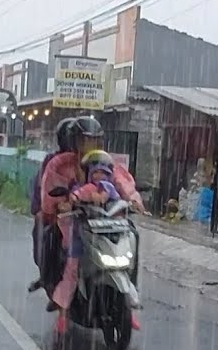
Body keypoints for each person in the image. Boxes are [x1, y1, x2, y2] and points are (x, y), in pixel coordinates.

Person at [38, 116, 145, 332]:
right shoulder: (60, 164)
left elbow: (124, 185)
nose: (90, 146)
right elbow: (51, 192)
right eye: (85, 141)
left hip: (106, 221)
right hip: (75, 222)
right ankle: (61, 305)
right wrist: (62, 204)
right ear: (74, 142)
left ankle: (128, 302)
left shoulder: (107, 164)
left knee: (132, 237)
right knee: (69, 259)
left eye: (95, 141)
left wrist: (134, 200)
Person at [51, 150, 122, 332]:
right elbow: (73, 197)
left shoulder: (112, 190)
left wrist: (134, 204)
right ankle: (63, 313)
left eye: (104, 172)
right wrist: (71, 202)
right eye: (96, 171)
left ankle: (128, 310)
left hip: (106, 235)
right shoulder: (83, 187)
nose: (100, 175)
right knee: (72, 271)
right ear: (89, 172)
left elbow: (123, 200)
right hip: (81, 236)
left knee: (124, 266)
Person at [28, 121, 75, 292]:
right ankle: (47, 277)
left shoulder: (90, 161)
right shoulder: (52, 161)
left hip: (85, 213)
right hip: (57, 212)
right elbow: (40, 186)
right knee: (45, 237)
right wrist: (40, 208)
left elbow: (107, 182)